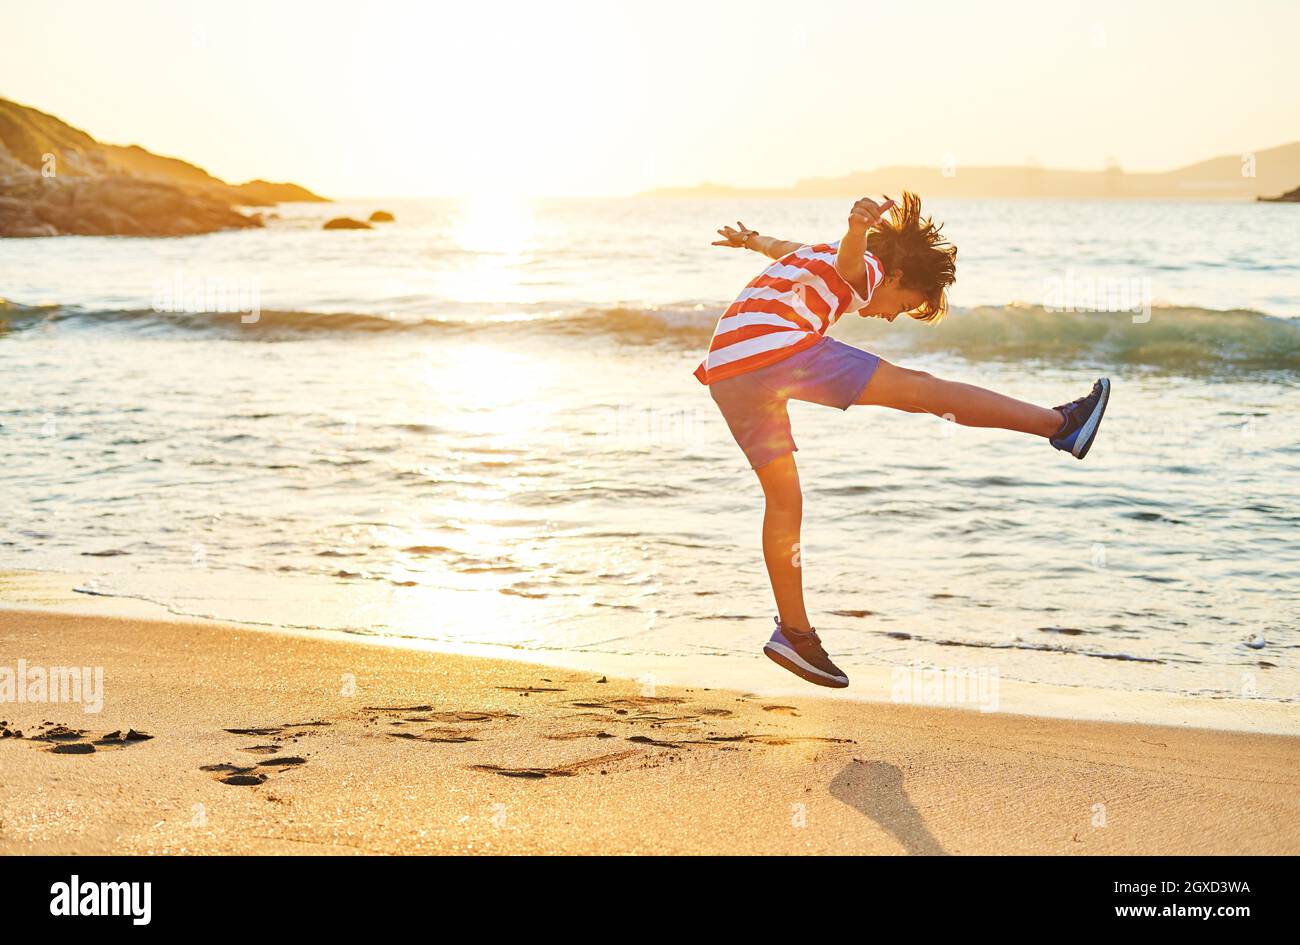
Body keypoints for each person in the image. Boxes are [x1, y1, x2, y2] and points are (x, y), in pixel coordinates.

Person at [697, 193, 1110, 688]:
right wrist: (856, 228)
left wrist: (749, 239)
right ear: (892, 279)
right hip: (777, 351)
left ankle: (795, 633)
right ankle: (1060, 425)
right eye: (905, 304)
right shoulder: (869, 265)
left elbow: (779, 245)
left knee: (784, 499)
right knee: (921, 391)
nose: (892, 315)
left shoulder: (812, 254)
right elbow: (855, 263)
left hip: (729, 368)